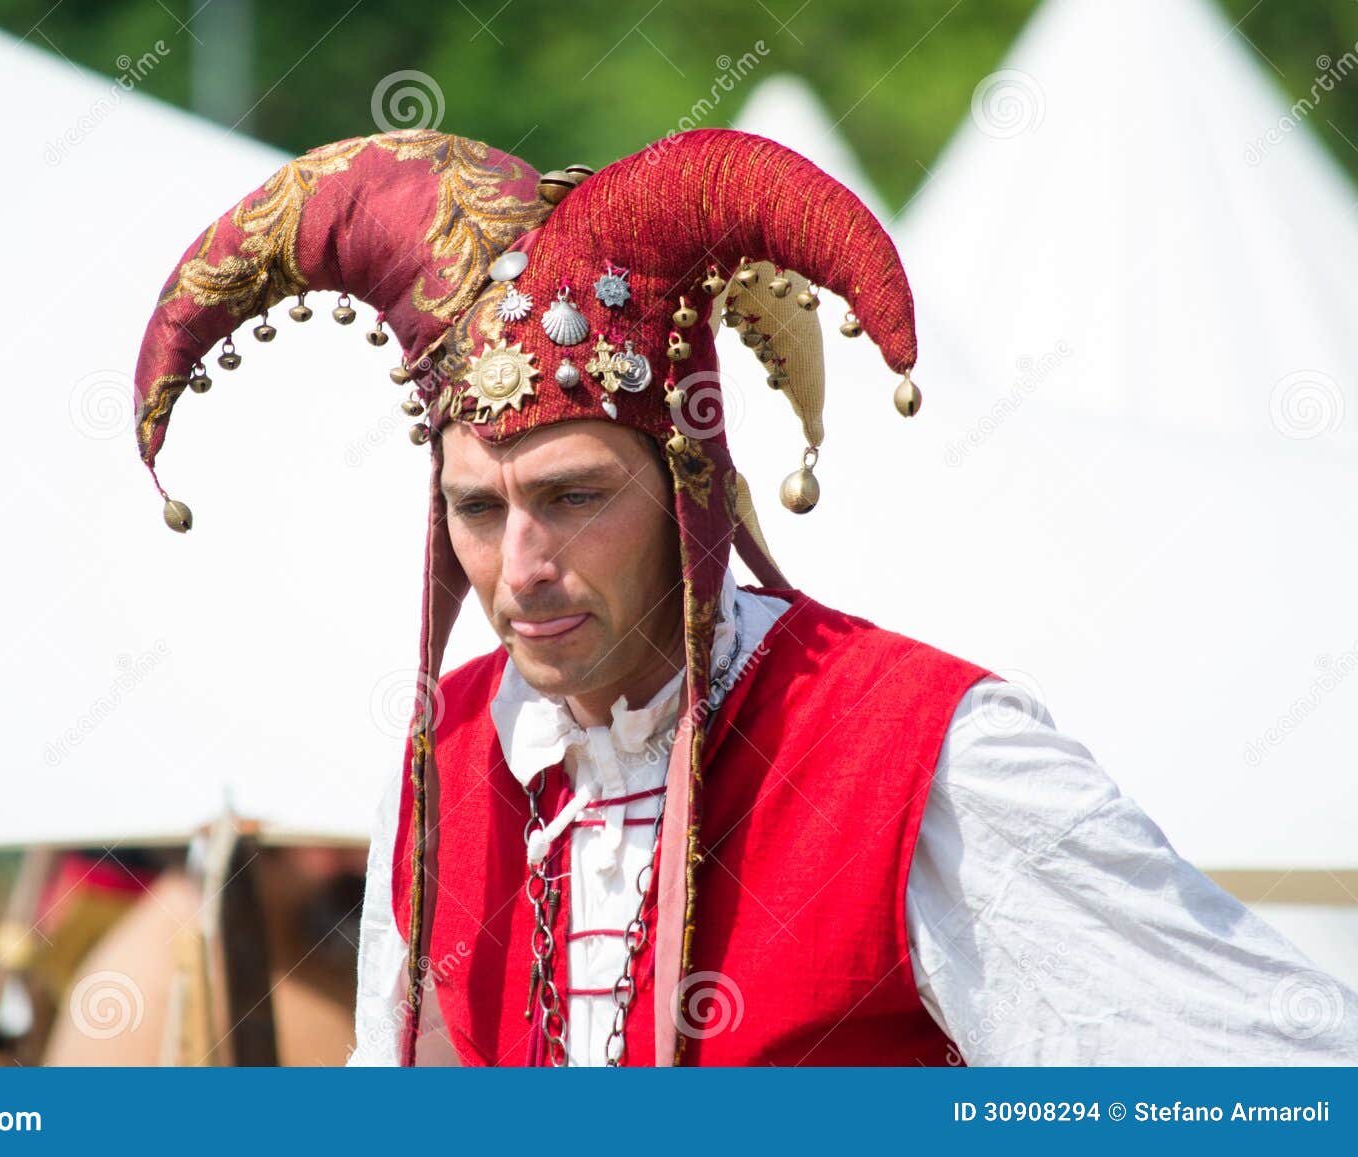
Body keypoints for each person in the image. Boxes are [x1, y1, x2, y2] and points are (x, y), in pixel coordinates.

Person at [130, 127, 1358, 1067]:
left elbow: (1281, 1072)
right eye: (478, 509)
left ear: (690, 489)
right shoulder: (448, 755)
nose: (519, 569)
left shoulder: (919, 749)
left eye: (571, 497)